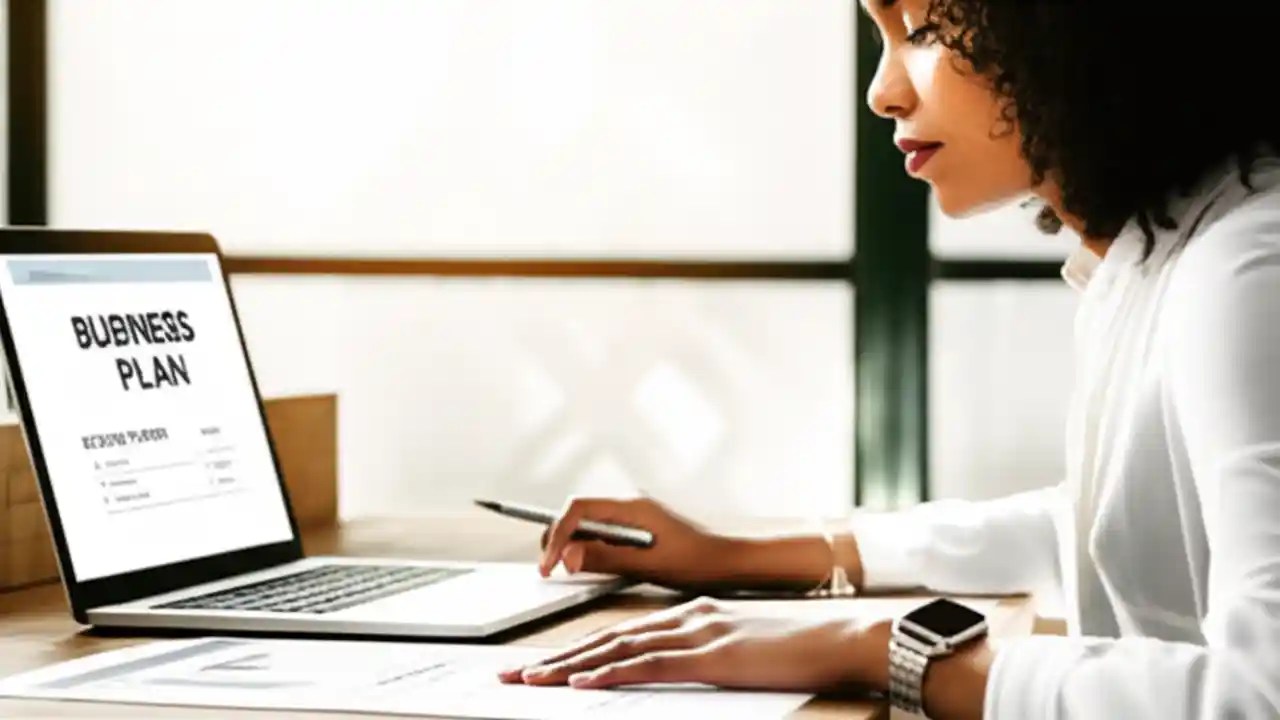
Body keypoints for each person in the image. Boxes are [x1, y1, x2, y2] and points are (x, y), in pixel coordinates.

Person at [498, 1, 1280, 718]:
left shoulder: (1246, 269)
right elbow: (1107, 522)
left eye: (925, 30)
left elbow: (1263, 695)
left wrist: (884, 649)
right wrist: (741, 555)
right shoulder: (1163, 258)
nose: (882, 92)